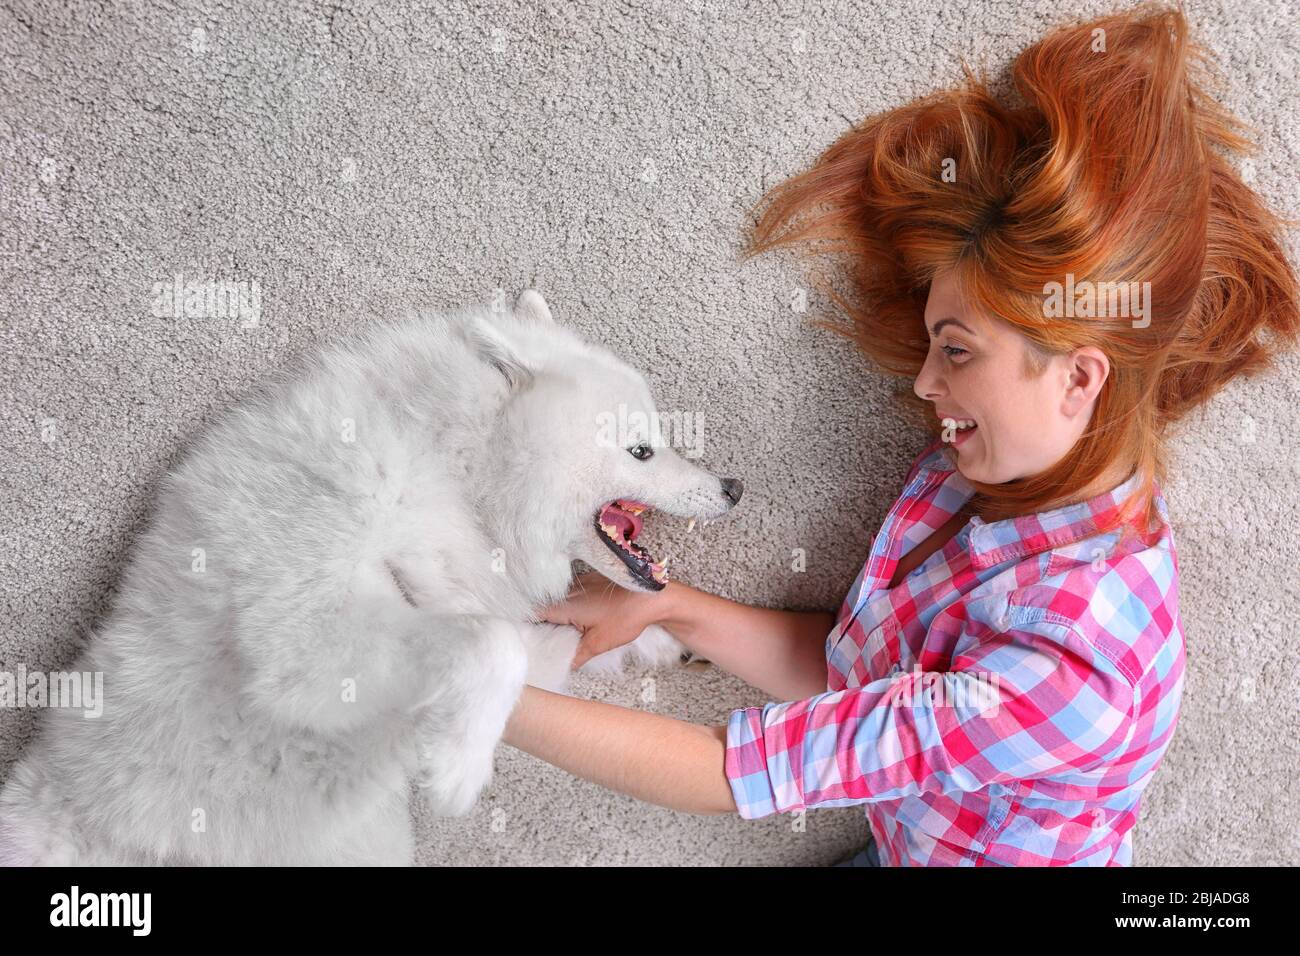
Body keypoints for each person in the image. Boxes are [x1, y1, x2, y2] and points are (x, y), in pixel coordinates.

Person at [502, 3, 1299, 865]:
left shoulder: (1081, 664)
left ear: (1079, 377)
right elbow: (868, 692)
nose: (923, 384)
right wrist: (670, 605)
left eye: (954, 350)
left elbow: (739, 774)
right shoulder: (985, 472)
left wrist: (474, 696)